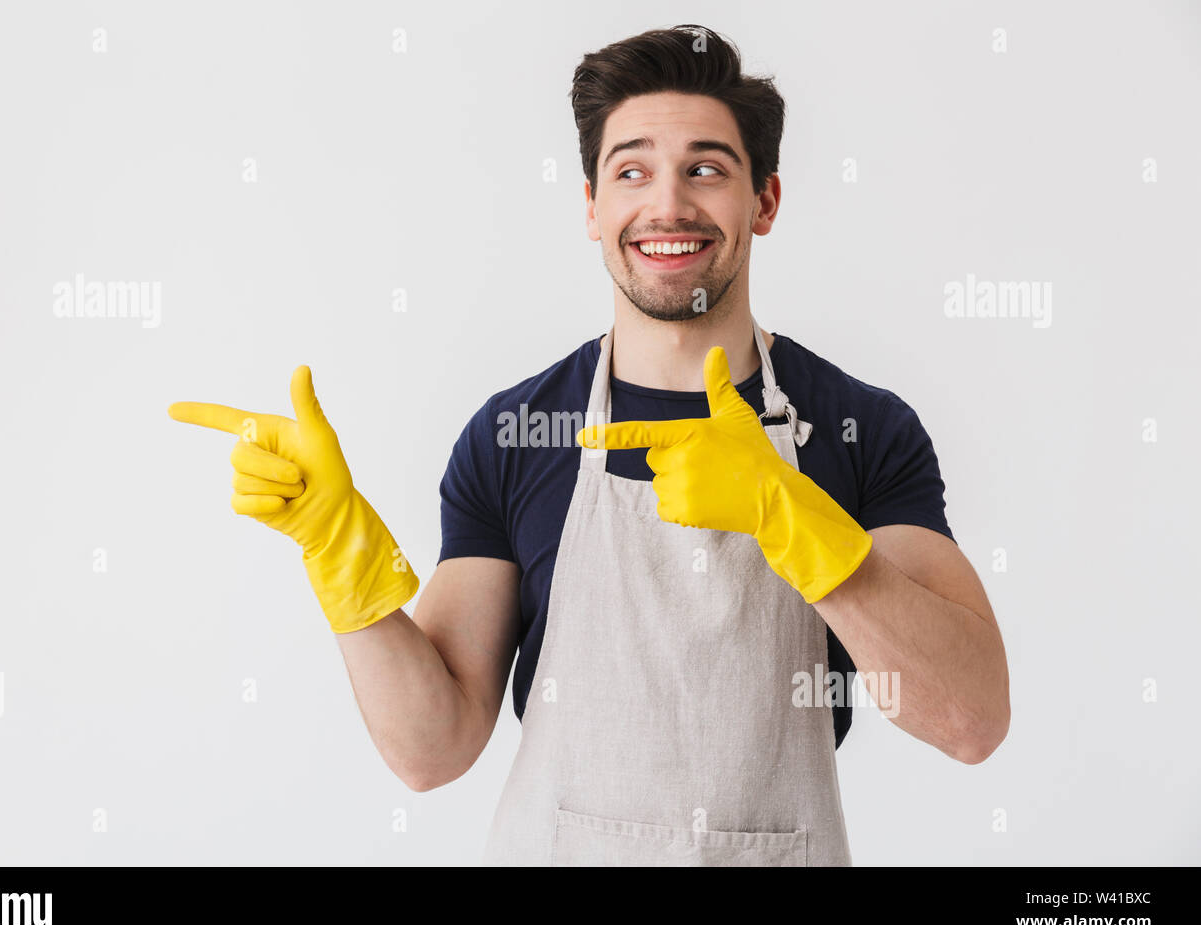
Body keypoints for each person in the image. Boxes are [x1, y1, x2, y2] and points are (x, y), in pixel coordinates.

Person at [169, 24, 1009, 866]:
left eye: (707, 169)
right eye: (632, 171)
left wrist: (803, 527)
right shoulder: (513, 435)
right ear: (592, 208)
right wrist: (337, 550)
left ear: (765, 202)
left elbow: (971, 721)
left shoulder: (863, 429)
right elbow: (432, 750)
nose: (669, 205)